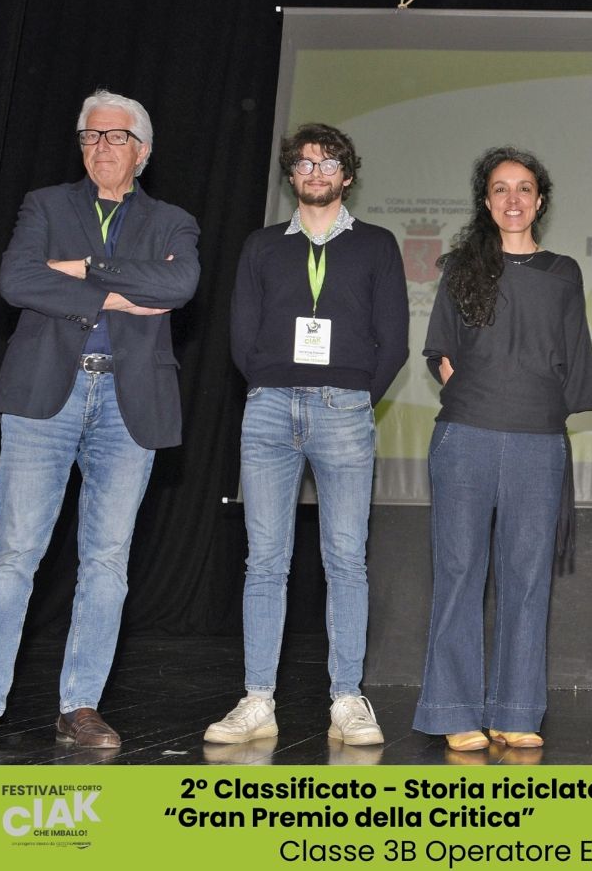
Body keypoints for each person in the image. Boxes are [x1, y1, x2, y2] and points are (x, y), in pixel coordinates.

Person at [0, 90, 200, 750]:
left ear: (141, 152)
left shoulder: (173, 220)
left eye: (115, 138)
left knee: (107, 562)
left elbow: (178, 288)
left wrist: (84, 270)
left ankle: (80, 706)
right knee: (14, 554)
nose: (101, 148)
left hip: (129, 402)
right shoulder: (46, 205)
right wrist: (118, 291)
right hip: (42, 397)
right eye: (90, 137)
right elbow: (17, 281)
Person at [207, 123, 408, 747]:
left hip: (344, 408)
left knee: (346, 560)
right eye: (303, 162)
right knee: (265, 560)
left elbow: (394, 339)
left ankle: (347, 699)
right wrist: (273, 382)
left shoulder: (376, 244)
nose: (315, 171)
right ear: (290, 175)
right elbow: (242, 335)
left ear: (347, 175)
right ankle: (258, 700)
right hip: (268, 408)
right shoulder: (262, 246)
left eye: (329, 163)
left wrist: (351, 397)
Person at [412, 147, 592, 752]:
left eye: (525, 188)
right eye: (501, 189)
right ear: (487, 201)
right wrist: (479, 391)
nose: (513, 199)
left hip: (538, 440)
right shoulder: (460, 267)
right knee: (459, 572)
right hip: (466, 436)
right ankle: (452, 709)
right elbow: (441, 352)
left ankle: (518, 708)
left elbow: (571, 355)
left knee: (525, 578)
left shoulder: (564, 271)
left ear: (540, 199)